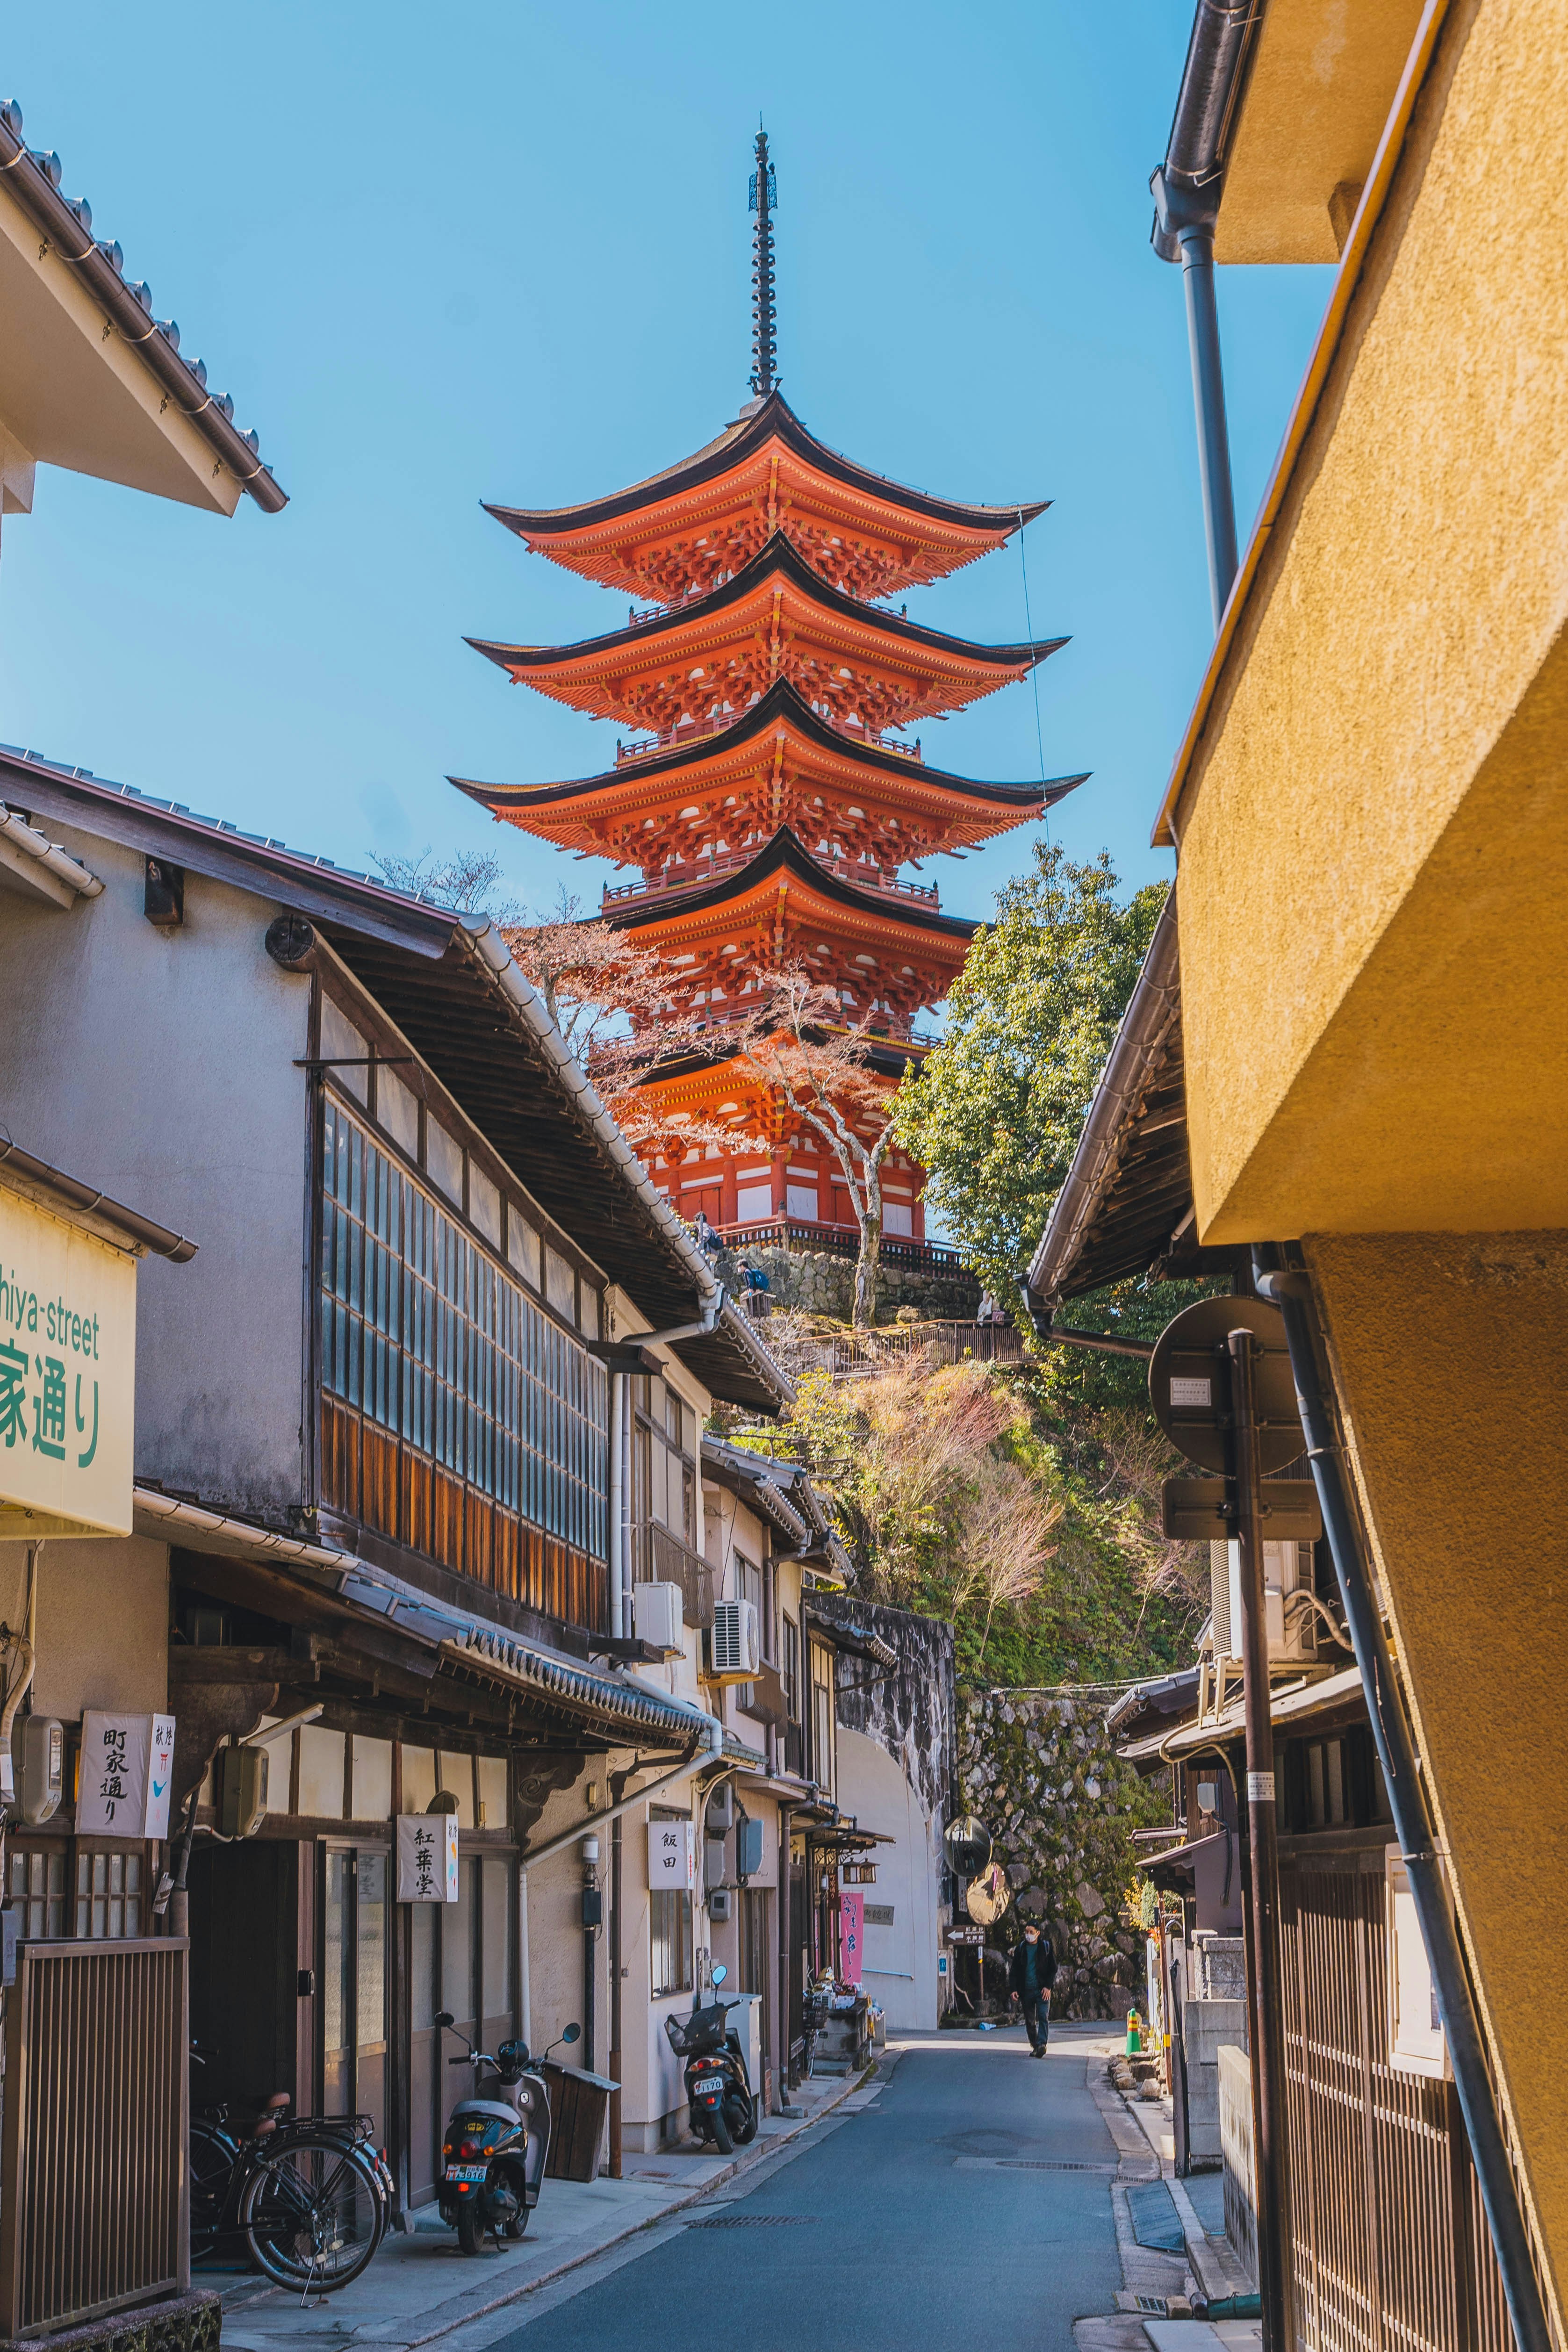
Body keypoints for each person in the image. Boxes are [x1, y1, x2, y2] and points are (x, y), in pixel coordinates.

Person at [1008, 1921, 1056, 2057]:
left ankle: (1042, 2044)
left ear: (1038, 1933)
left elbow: (1053, 1969)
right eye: (1027, 1932)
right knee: (1029, 2021)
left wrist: (1048, 1987)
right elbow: (1014, 1971)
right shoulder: (1021, 1949)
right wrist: (1014, 1989)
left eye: (1031, 1932)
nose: (1028, 1935)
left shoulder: (1046, 1948)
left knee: (1043, 2016)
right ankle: (1035, 2045)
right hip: (1026, 1990)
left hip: (1042, 1990)